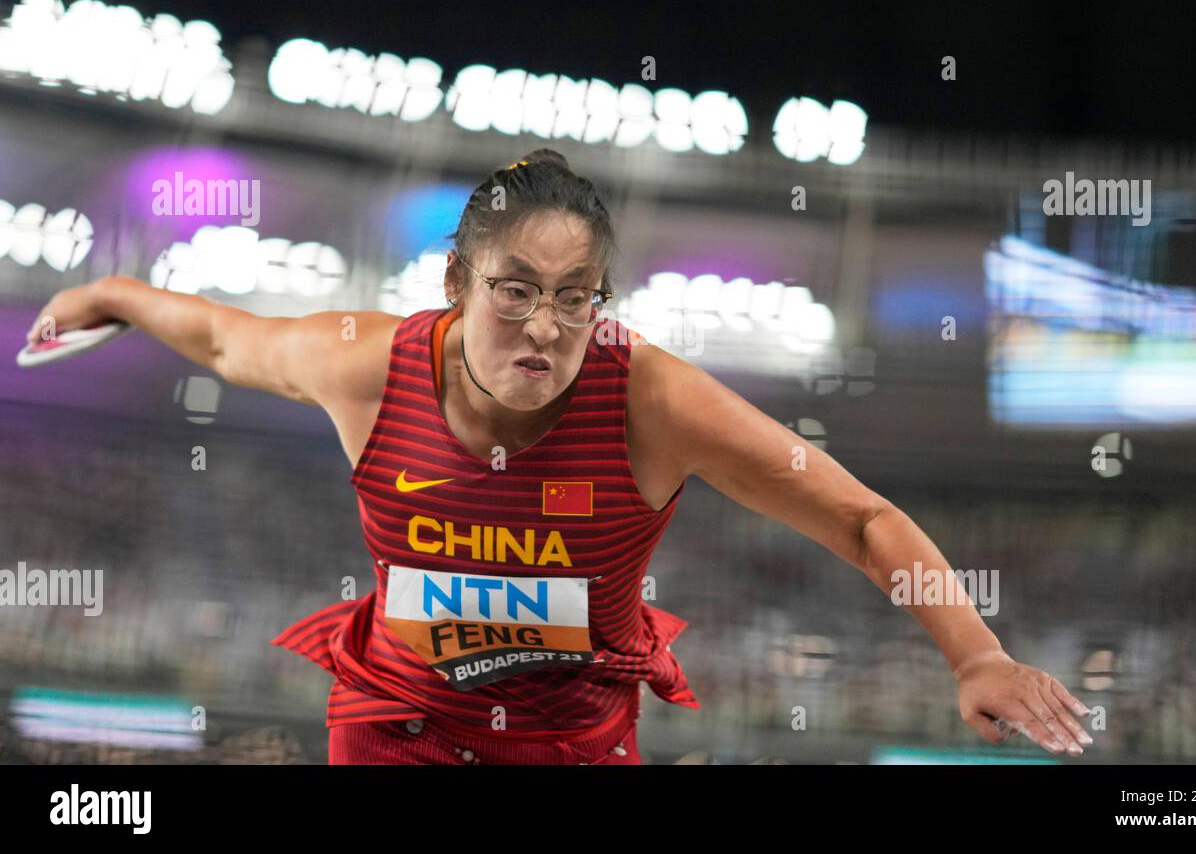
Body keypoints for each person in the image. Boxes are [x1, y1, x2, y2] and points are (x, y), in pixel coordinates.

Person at [25, 148, 1094, 764]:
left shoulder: (654, 400)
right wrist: (110, 293)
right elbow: (221, 335)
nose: (544, 326)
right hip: (395, 724)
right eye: (515, 291)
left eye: (575, 296)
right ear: (457, 286)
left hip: (573, 743)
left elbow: (861, 519)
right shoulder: (361, 364)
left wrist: (972, 654)